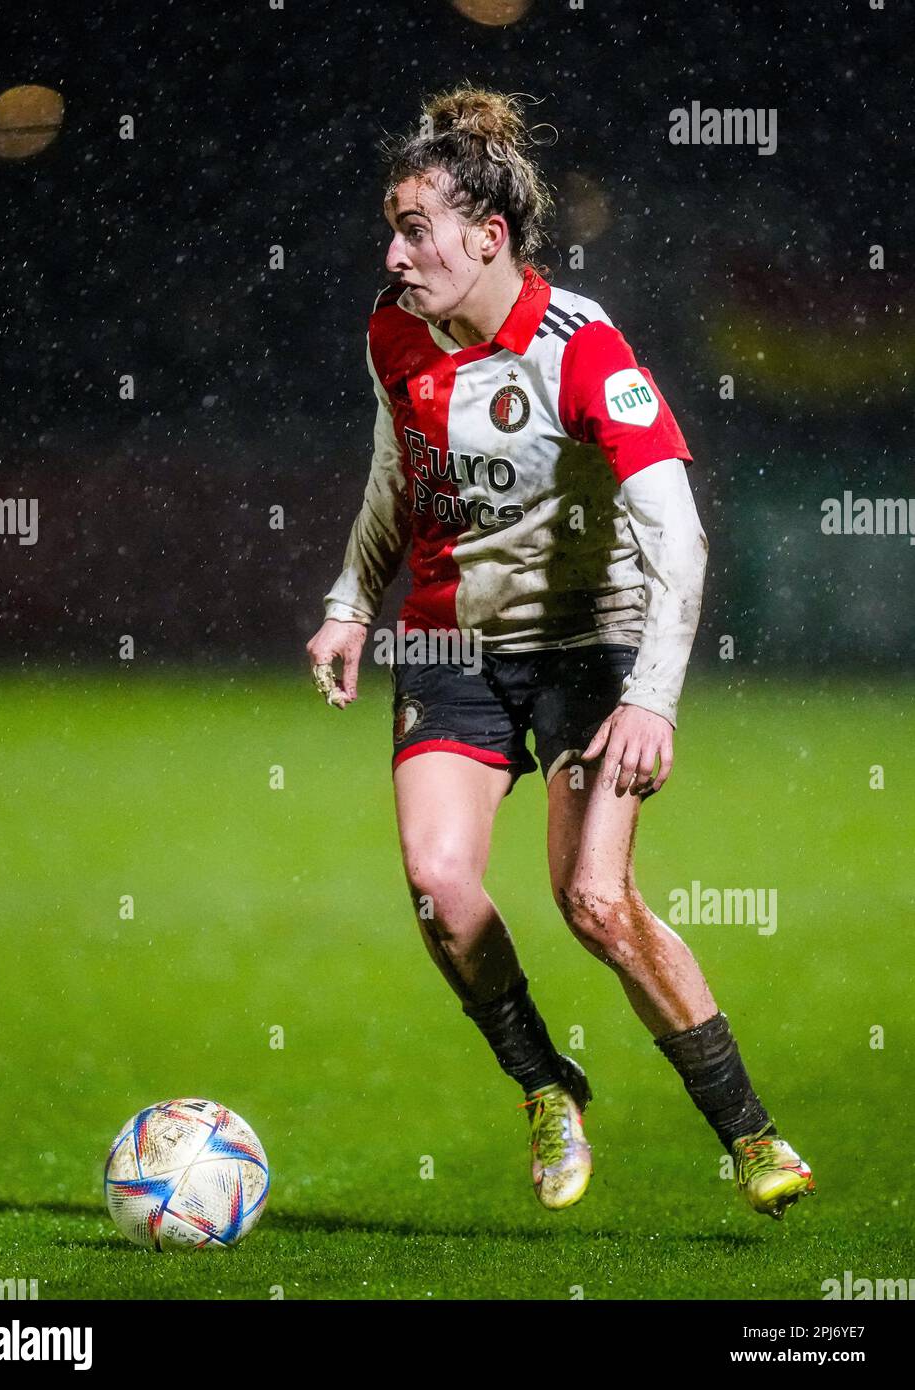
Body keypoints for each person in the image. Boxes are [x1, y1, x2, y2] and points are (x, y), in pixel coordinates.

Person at [306, 85, 814, 1219]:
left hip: (588, 642)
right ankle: (545, 1082)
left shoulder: (580, 347)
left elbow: (675, 533)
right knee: (440, 887)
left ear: (486, 238)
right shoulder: (394, 333)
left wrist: (653, 700)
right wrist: (350, 600)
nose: (393, 253)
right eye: (390, 228)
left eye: (414, 229)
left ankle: (747, 1133)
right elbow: (395, 477)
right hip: (448, 635)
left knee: (592, 897)